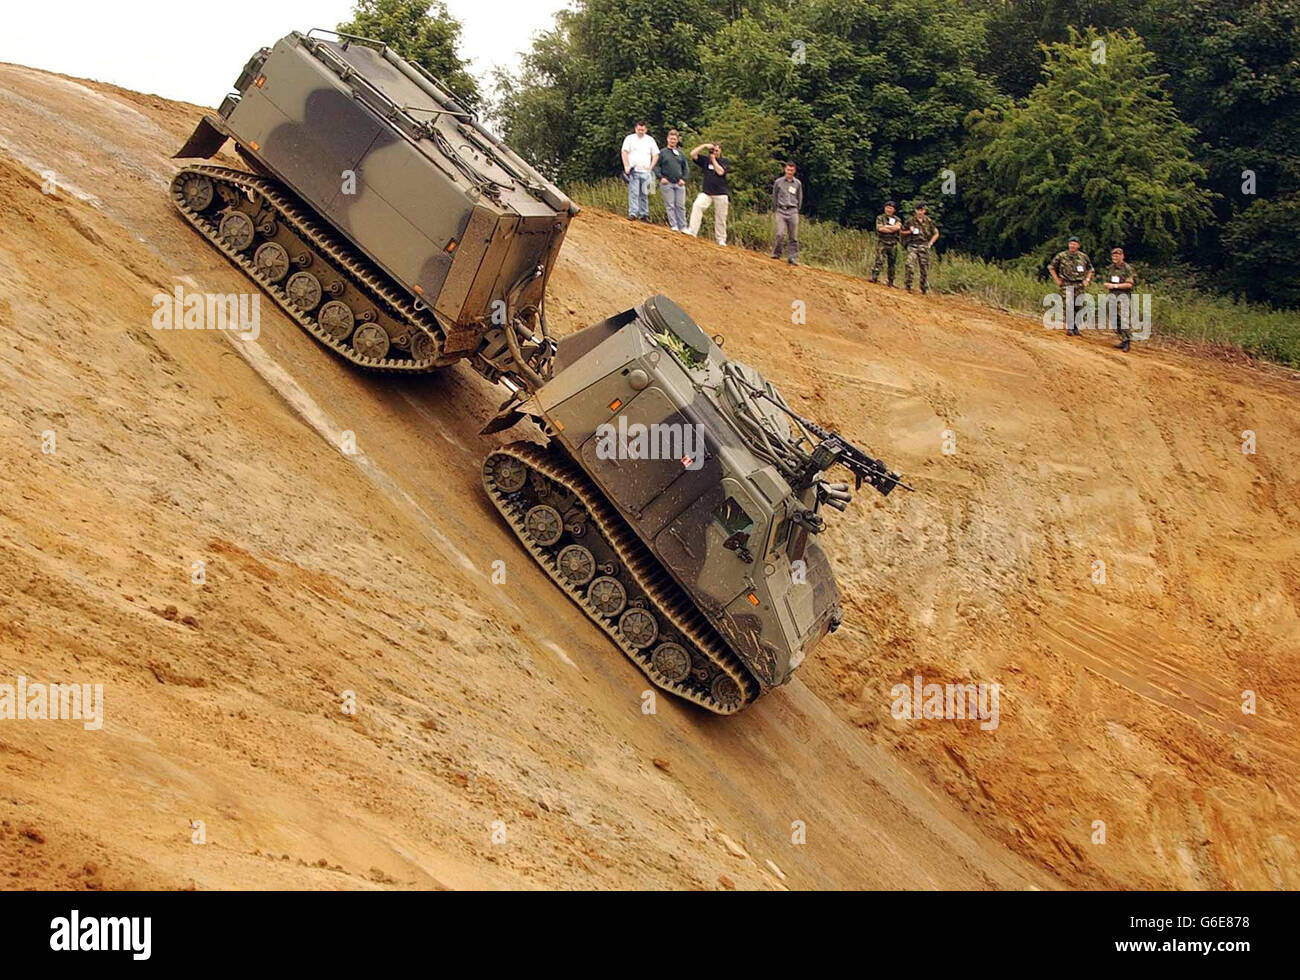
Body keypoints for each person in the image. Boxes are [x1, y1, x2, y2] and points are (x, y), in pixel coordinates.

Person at [686, 142, 730, 245]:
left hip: (721, 193)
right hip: (707, 192)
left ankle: (721, 239)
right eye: (713, 150)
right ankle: (692, 231)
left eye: (716, 150)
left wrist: (714, 159)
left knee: (721, 217)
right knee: (697, 206)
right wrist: (704, 146)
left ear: (720, 151)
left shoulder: (724, 161)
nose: (714, 152)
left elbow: (720, 172)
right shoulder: (706, 160)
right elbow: (692, 154)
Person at [1049, 236, 1094, 335]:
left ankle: (1076, 327)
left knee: (1078, 306)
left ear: (1078, 245)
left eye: (1074, 244)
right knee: (1069, 305)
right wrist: (1057, 280)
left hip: (1079, 284)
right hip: (1066, 283)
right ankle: (1069, 327)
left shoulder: (1083, 257)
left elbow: (1090, 269)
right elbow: (1051, 267)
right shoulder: (1062, 255)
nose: (1072, 246)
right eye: (1071, 243)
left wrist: (1087, 279)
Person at [620, 122, 659, 222]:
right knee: (634, 192)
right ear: (635, 129)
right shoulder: (629, 138)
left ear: (646, 130)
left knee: (644, 193)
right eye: (639, 129)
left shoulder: (650, 140)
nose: (640, 131)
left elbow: (655, 155)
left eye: (643, 129)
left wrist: (650, 168)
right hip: (634, 170)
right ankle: (633, 213)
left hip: (645, 171)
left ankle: (644, 214)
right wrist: (626, 166)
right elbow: (624, 152)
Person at [654, 129, 690, 231]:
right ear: (667, 139)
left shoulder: (681, 153)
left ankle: (683, 226)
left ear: (677, 140)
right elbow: (656, 166)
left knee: (680, 205)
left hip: (679, 183)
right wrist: (661, 177)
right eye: (671, 139)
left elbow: (685, 167)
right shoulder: (662, 153)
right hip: (667, 183)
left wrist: (684, 179)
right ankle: (673, 225)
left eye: (674, 139)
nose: (673, 141)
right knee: (670, 205)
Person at [1101, 246, 1136, 351]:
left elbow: (1129, 284)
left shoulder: (1127, 268)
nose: (1115, 257)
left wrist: (1114, 286)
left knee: (1124, 318)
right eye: (1114, 255)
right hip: (1112, 296)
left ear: (1122, 256)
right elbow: (1108, 281)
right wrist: (1107, 285)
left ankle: (1127, 341)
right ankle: (1122, 338)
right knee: (1113, 318)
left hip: (1123, 296)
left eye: (1117, 255)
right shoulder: (1111, 268)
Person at [771, 162, 803, 264]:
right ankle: (777, 253)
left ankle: (792, 257)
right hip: (781, 210)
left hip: (793, 210)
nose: (789, 172)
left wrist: (797, 210)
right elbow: (774, 196)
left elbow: (799, 197)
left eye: (791, 170)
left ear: (794, 171)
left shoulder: (797, 183)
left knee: (793, 236)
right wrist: (776, 208)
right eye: (788, 170)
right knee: (780, 233)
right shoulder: (778, 182)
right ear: (785, 170)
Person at [903, 202, 939, 293]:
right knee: (909, 264)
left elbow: (936, 233)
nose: (920, 212)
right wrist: (909, 232)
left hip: (924, 246)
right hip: (913, 245)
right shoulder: (910, 221)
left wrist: (930, 243)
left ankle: (923, 288)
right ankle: (908, 286)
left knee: (924, 268)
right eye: (918, 210)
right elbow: (901, 232)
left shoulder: (929, 221)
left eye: (922, 210)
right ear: (915, 210)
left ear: (924, 211)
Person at [870, 200, 902, 286]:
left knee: (892, 263)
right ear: (884, 208)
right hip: (882, 242)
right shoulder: (880, 217)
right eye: (887, 207)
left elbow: (898, 227)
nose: (888, 209)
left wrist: (887, 227)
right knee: (879, 260)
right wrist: (891, 228)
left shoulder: (897, 219)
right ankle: (874, 277)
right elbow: (880, 228)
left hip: (893, 243)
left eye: (891, 208)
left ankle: (891, 281)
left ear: (894, 210)